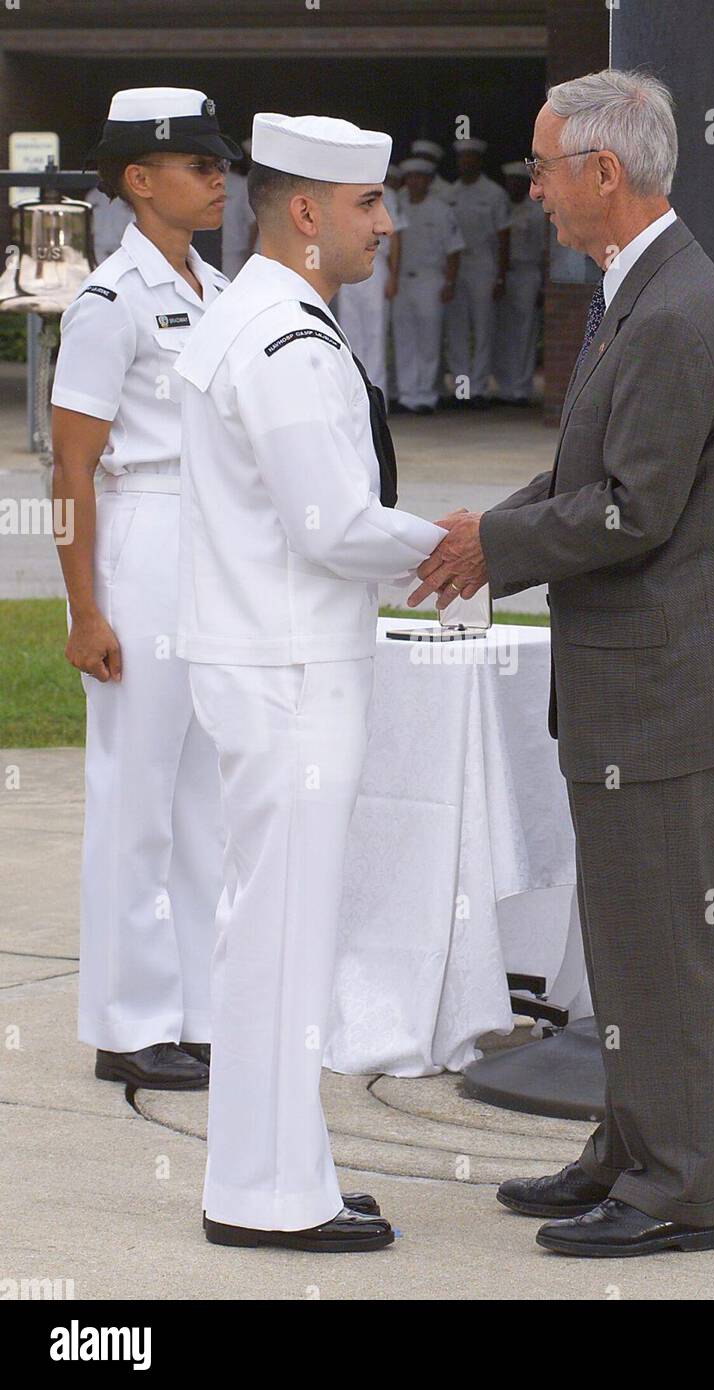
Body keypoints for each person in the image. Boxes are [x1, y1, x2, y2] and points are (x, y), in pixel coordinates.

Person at [409, 69, 714, 1258]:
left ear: (603, 173)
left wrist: (492, 546)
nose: (536, 186)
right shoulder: (643, 288)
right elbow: (582, 484)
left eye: (547, 164)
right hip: (633, 692)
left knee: (659, 951)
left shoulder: (669, 311)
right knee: (625, 946)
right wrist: (486, 541)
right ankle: (632, 1145)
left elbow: (626, 512)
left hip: (656, 698)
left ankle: (675, 1190)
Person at [174, 112, 446, 1252]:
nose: (385, 224)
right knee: (280, 941)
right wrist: (460, 547)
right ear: (305, 211)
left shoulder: (262, 315)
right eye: (368, 204)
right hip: (288, 670)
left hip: (271, 658)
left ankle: (286, 1169)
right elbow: (332, 523)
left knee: (270, 934)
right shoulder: (284, 339)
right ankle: (266, 1194)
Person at [50, 87, 238, 1089]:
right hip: (144, 536)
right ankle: (125, 1020)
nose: (219, 181)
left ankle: (198, 1009)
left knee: (202, 793)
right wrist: (86, 610)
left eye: (219, 166)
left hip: (210, 543)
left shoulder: (216, 289)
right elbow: (71, 468)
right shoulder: (108, 301)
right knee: (136, 799)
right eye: (200, 166)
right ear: (138, 180)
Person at [391, 157, 464, 414]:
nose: (414, 182)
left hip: (430, 278)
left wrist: (450, 282)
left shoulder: (441, 209)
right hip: (401, 278)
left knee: (428, 340)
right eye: (410, 177)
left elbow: (454, 250)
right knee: (404, 338)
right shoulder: (397, 204)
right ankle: (407, 394)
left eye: (420, 177)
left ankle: (425, 395)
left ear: (429, 181)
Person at [444, 138, 510, 408]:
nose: (466, 162)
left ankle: (480, 389)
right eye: (462, 158)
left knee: (483, 328)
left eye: (471, 158)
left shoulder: (494, 193)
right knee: (457, 329)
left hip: (484, 265)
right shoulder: (451, 193)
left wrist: (500, 276)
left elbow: (504, 237)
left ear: (479, 161)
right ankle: (462, 389)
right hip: (456, 267)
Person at [336, 177, 405, 400]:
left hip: (376, 266)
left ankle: (376, 399)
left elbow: (395, 238)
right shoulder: (344, 189)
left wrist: (394, 275)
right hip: (349, 266)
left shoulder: (388, 195)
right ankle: (355, 397)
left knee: (375, 334)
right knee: (349, 332)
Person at [492, 161, 546, 404]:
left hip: (527, 273)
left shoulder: (536, 211)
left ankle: (521, 388)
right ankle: (505, 386)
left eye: (517, 182)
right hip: (504, 274)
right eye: (509, 182)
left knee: (525, 332)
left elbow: (545, 250)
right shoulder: (502, 207)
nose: (512, 186)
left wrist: (543, 285)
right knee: (504, 331)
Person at [220, 138, 257, 279]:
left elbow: (253, 221)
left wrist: (250, 253)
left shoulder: (241, 184)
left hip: (236, 252)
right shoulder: (202, 182)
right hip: (207, 249)